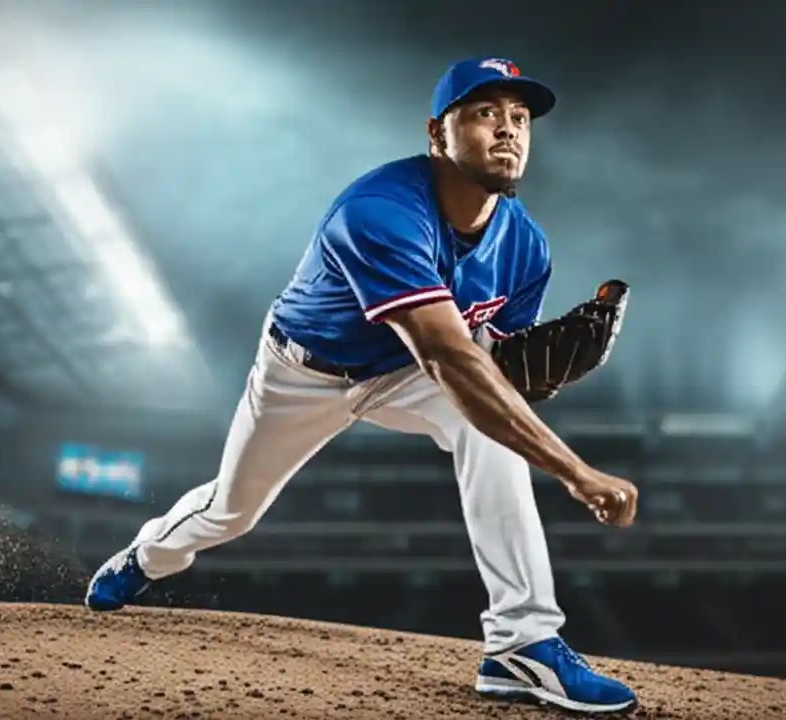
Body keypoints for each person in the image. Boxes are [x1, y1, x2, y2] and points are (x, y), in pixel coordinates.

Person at [86, 56, 640, 715]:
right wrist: (576, 472)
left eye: (520, 117)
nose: (508, 129)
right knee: (232, 511)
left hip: (403, 374)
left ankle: (522, 645)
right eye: (486, 112)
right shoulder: (379, 210)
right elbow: (448, 357)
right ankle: (146, 556)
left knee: (489, 432)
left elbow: (493, 366)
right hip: (304, 371)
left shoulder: (527, 249)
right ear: (437, 132)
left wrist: (528, 376)